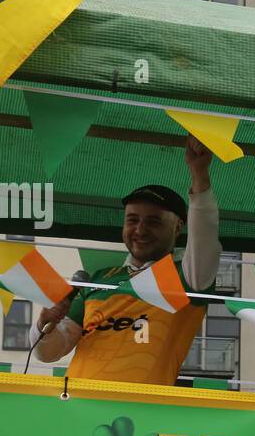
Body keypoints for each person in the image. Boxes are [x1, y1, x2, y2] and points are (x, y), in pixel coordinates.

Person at [34, 135, 222, 386]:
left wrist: (199, 174)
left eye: (153, 221)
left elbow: (205, 237)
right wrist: (45, 324)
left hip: (140, 415)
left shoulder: (188, 278)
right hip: (76, 411)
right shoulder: (99, 278)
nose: (140, 230)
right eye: (132, 220)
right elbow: (48, 353)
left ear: (178, 227)